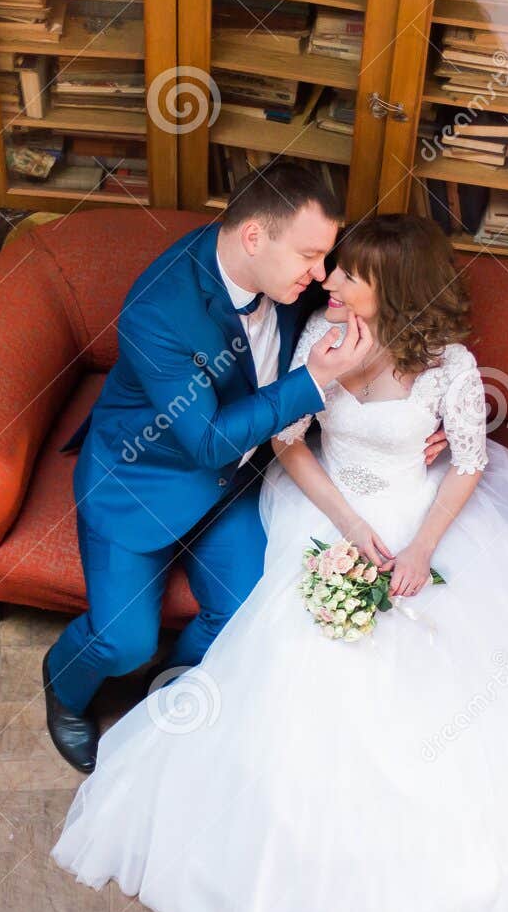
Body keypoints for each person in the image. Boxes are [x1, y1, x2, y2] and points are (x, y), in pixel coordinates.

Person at [50, 213, 508, 912]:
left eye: (348, 272)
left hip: (421, 516)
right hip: (325, 504)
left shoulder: (449, 363)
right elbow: (287, 438)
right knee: (288, 651)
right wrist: (347, 522)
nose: (330, 280)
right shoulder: (321, 329)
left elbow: (468, 464)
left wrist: (420, 547)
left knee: (458, 676)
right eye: (330, 266)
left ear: (396, 288)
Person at [42, 164, 448, 772]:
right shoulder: (158, 309)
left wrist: (423, 412)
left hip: (238, 481)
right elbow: (203, 441)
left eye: (326, 260)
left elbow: (388, 294)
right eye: (311, 258)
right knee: (123, 643)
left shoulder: (293, 274)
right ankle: (64, 687)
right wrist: (314, 378)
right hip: (143, 477)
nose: (321, 277)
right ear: (254, 237)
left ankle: (175, 691)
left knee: (243, 616)